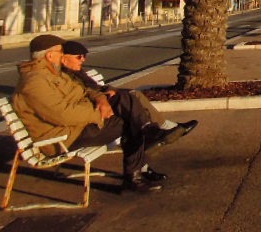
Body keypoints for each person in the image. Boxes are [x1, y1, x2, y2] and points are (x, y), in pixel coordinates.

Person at [14, 35, 186, 193]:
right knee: (129, 121)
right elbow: (63, 115)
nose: (64, 54)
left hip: (78, 127)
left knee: (126, 101)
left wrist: (101, 99)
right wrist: (99, 114)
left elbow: (84, 90)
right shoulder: (35, 82)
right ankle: (137, 170)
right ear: (49, 55)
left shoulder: (54, 74)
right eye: (61, 51)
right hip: (63, 138)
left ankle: (142, 153)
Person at [60, 40, 197, 147]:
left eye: (84, 56)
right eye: (79, 57)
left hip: (101, 97)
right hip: (95, 105)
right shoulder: (65, 76)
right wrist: (102, 96)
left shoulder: (78, 72)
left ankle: (163, 127)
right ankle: (156, 130)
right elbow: (84, 92)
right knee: (131, 109)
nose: (83, 59)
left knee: (133, 94)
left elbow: (94, 86)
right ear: (64, 59)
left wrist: (109, 90)